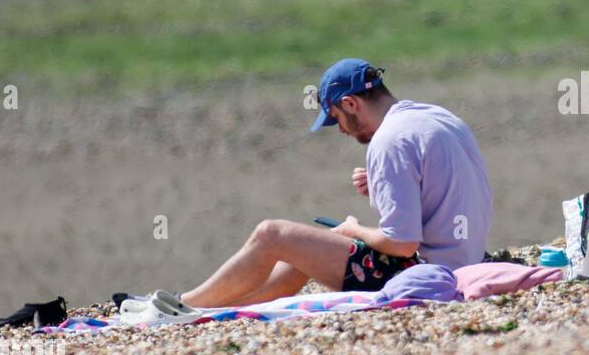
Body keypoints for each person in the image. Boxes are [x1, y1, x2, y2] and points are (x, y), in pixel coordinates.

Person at [135, 58, 493, 310]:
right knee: (303, 251)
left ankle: (180, 306)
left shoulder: (389, 140)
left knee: (272, 235)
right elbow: (438, 186)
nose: (341, 130)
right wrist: (386, 183)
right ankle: (203, 309)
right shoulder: (434, 117)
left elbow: (401, 243)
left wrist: (355, 229)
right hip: (466, 257)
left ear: (351, 103)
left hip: (429, 275)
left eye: (337, 118)